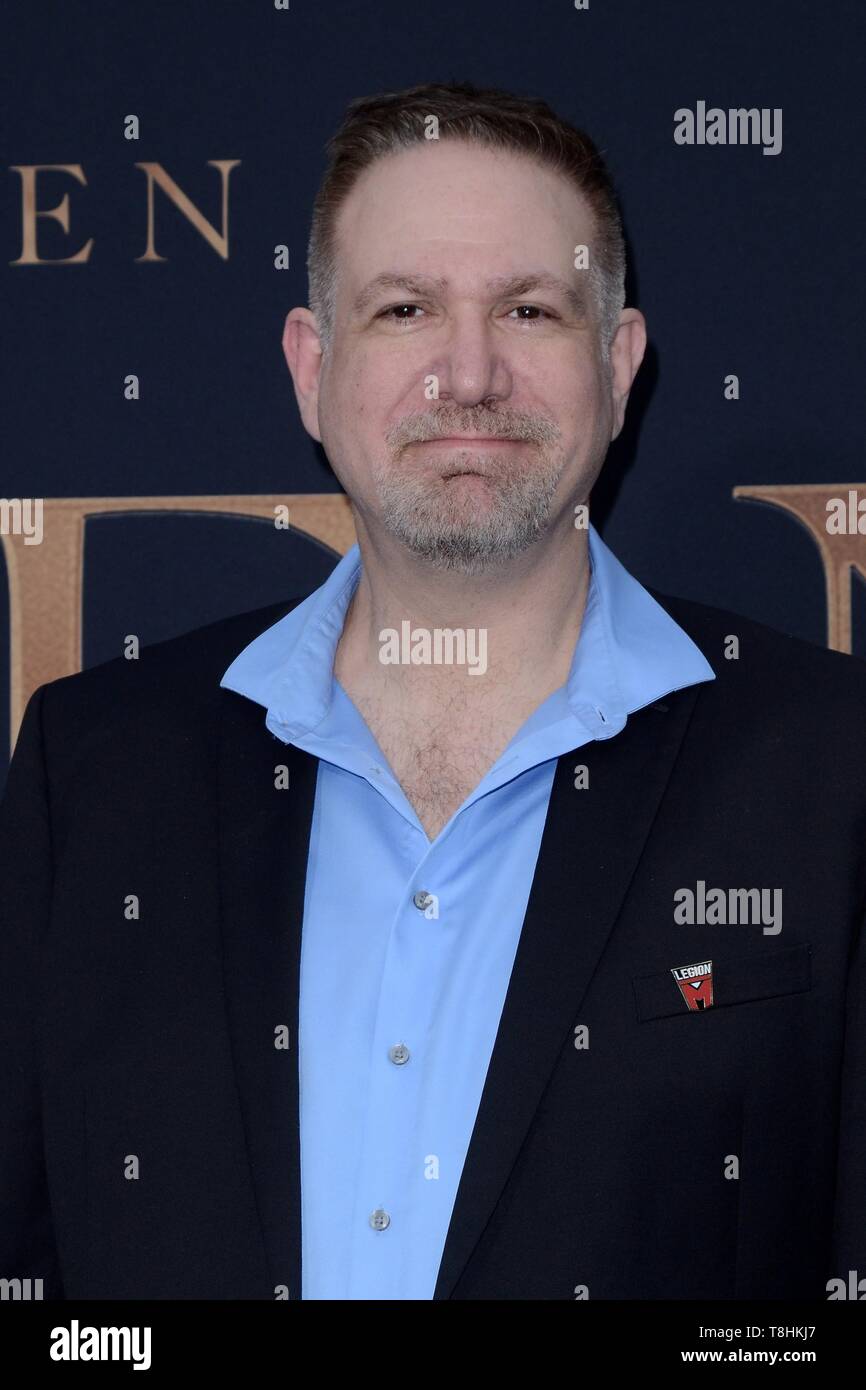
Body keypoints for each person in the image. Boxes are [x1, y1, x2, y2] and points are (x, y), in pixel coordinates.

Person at [1, 81, 864, 1301]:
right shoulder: (92, 774)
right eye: (404, 309)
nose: (468, 374)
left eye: (528, 308)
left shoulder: (832, 771)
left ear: (617, 369)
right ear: (313, 369)